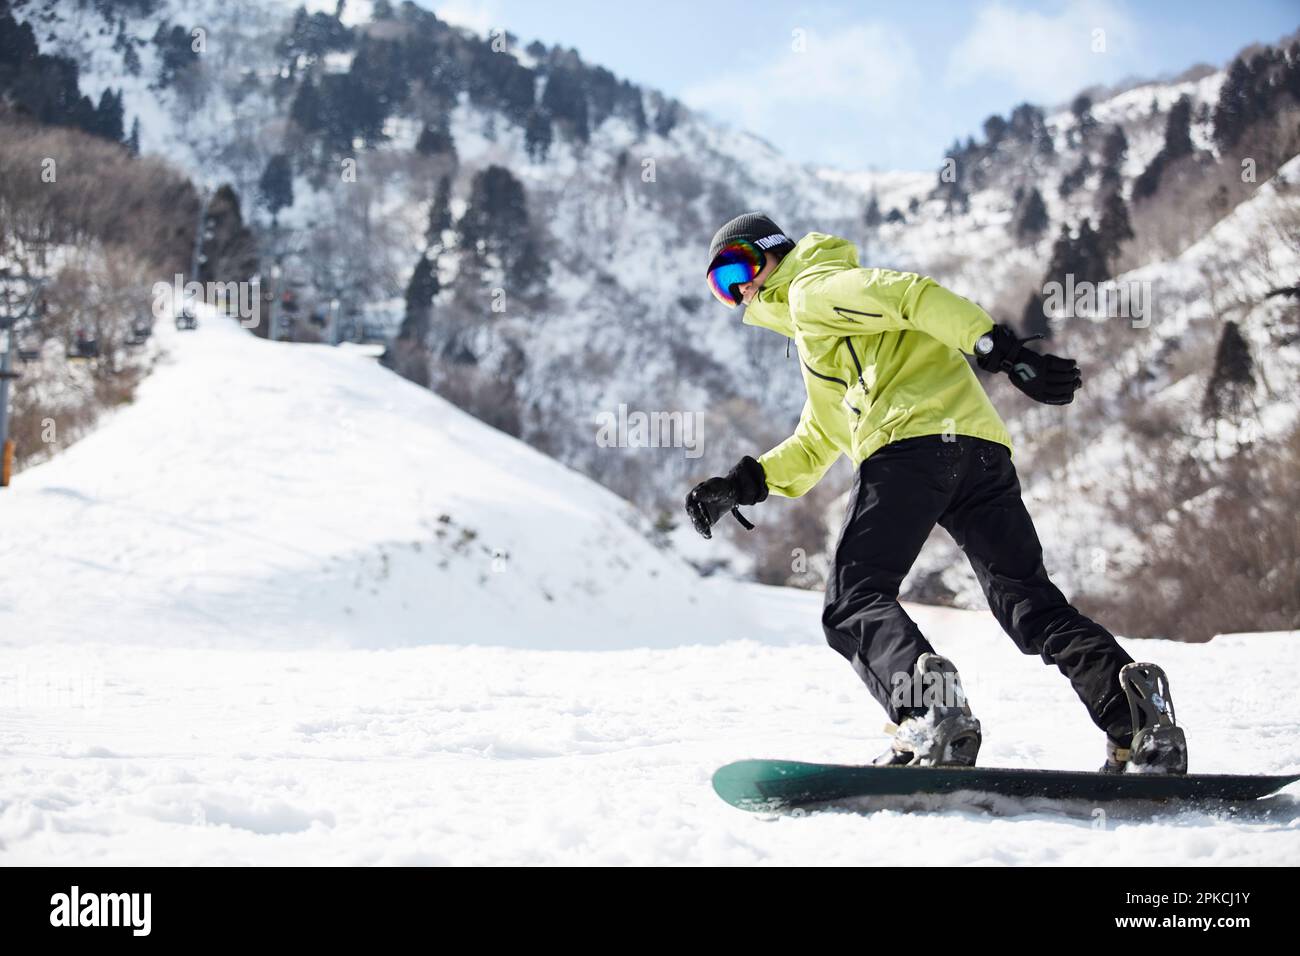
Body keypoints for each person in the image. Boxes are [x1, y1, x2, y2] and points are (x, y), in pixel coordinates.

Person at [685, 212, 1188, 774]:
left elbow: (910, 295)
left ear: (775, 251)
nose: (742, 288)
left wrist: (1001, 350)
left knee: (853, 600)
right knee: (1029, 602)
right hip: (979, 451)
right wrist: (742, 485)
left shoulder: (812, 289)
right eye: (723, 287)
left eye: (741, 267)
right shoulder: (820, 334)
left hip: (909, 445)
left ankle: (931, 715)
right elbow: (820, 437)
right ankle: (1139, 722)